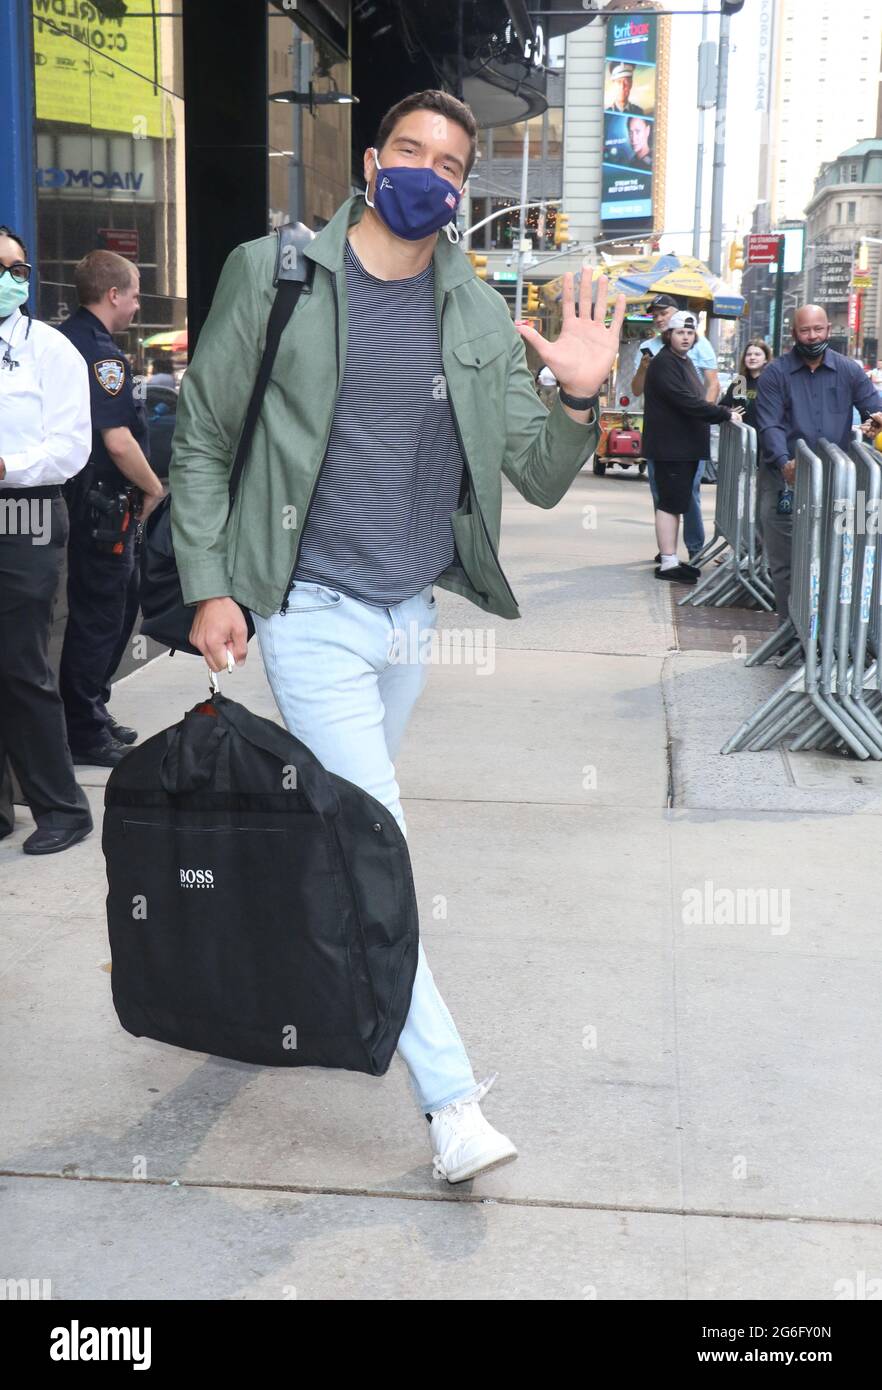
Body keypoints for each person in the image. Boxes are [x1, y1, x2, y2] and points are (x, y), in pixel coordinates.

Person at [170, 88, 625, 1185]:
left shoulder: (471, 312)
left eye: (452, 164)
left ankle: (294, 973)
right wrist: (209, 584)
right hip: (307, 609)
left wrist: (576, 398)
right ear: (372, 162)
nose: (429, 172)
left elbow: (539, 474)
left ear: (465, 193)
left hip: (409, 616)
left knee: (342, 833)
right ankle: (452, 1103)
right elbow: (201, 433)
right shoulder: (273, 274)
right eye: (411, 150)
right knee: (382, 843)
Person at [0, 224, 94, 855]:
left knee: (19, 663)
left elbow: (70, 448)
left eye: (19, 268)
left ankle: (61, 806)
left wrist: (7, 468)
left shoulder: (50, 349)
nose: (14, 278)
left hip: (23, 513)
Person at [58, 250, 167, 766]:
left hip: (92, 501)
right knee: (102, 616)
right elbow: (118, 440)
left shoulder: (67, 338)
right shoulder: (100, 354)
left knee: (115, 606)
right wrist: (154, 488)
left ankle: (92, 712)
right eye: (136, 293)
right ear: (114, 294)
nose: (139, 304)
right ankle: (83, 729)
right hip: (106, 502)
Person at [755, 304, 882, 621]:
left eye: (818, 329)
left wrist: (878, 418)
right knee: (786, 561)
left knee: (833, 557)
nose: (812, 337)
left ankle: (824, 632)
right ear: (794, 333)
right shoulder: (776, 373)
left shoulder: (848, 370)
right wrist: (785, 463)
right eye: (805, 330)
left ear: (829, 330)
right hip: (785, 478)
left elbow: (872, 405)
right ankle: (791, 631)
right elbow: (768, 424)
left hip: (834, 482)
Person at [643, 311, 741, 585]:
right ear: (668, 335)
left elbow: (692, 398)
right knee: (669, 504)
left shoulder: (682, 362)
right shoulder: (665, 363)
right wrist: (722, 413)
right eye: (679, 333)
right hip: (671, 447)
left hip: (682, 447)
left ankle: (671, 559)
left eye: (689, 333)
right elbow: (685, 400)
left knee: (675, 505)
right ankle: (668, 561)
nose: (685, 337)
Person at [631, 293, 720, 560]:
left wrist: (700, 415)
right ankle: (667, 552)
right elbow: (636, 390)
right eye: (655, 314)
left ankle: (694, 549)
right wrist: (644, 368)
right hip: (663, 433)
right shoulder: (650, 348)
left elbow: (712, 384)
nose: (658, 318)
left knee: (688, 493)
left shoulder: (698, 346)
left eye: (663, 313)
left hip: (690, 434)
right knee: (662, 493)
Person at [720, 338, 772, 432]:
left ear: (766, 359)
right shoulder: (740, 382)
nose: (752, 357)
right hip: (741, 439)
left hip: (765, 438)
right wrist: (729, 413)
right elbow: (722, 406)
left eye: (757, 354)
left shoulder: (772, 383)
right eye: (749, 354)